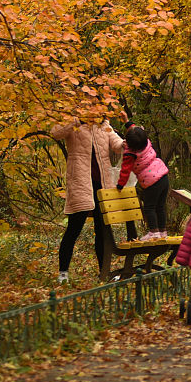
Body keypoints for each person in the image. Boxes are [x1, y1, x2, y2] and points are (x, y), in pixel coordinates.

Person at [50, 118, 125, 284]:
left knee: (103, 231)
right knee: (73, 229)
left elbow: (117, 144)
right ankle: (63, 274)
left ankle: (104, 273)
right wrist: (76, 120)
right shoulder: (73, 122)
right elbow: (55, 133)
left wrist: (127, 143)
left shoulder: (103, 125)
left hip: (102, 185)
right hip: (81, 183)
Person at [115, 124, 171, 240]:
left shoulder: (130, 154)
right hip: (164, 177)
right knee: (160, 206)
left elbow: (125, 171)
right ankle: (162, 231)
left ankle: (153, 232)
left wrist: (120, 185)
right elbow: (137, 131)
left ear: (130, 144)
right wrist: (127, 122)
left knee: (149, 207)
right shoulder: (146, 143)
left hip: (151, 182)